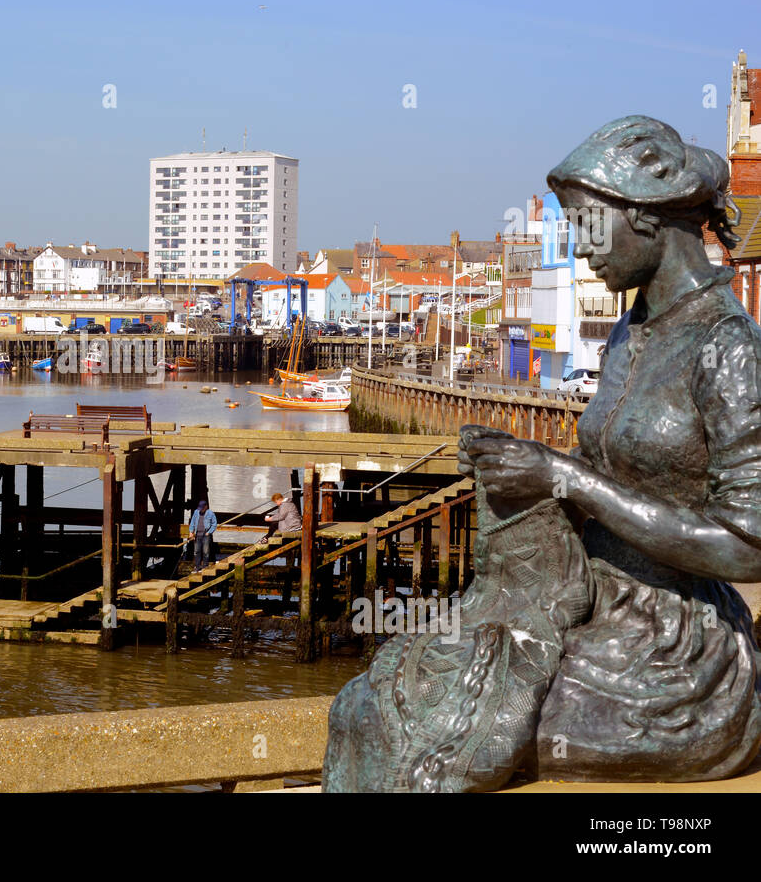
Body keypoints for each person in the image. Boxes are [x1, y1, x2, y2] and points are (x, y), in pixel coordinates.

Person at [326, 115, 761, 791]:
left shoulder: (728, 346)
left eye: (590, 224)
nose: (580, 247)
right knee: (379, 689)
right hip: (591, 604)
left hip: (679, 651)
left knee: (432, 712)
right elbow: (611, 469)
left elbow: (748, 546)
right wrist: (530, 462)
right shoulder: (629, 332)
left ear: (647, 217)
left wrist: (566, 480)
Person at [188, 498, 217, 571]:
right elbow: (192, 522)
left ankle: (205, 566)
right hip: (197, 535)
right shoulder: (196, 512)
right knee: (196, 551)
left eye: (202, 508)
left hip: (206, 535)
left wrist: (209, 532)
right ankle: (197, 567)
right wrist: (191, 532)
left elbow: (214, 524)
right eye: (200, 508)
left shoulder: (211, 513)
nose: (200, 510)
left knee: (205, 551)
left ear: (206, 507)